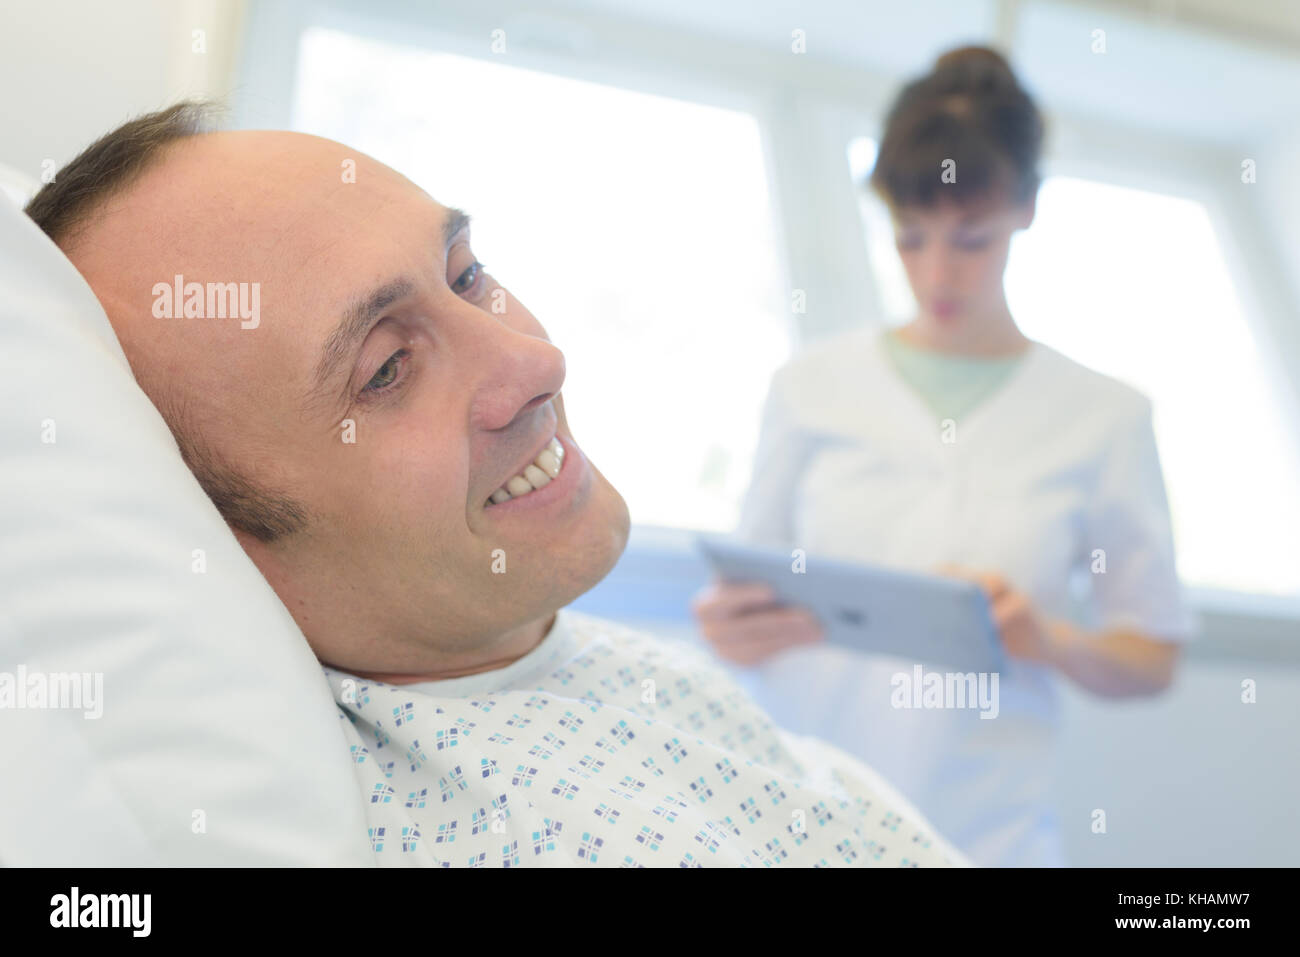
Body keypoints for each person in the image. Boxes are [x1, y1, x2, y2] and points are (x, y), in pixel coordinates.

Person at [24, 102, 971, 868]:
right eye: (388, 369)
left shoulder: (547, 654)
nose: (536, 359)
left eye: (468, 275)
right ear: (227, 544)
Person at [692, 46, 1196, 868]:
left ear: (1026, 209)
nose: (937, 274)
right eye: (910, 237)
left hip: (983, 835)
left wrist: (1050, 639)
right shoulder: (809, 388)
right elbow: (744, 603)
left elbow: (1152, 659)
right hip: (792, 820)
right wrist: (728, 627)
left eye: (971, 239)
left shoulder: (1103, 417)